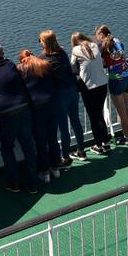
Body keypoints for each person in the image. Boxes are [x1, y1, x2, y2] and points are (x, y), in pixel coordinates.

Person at [0, 44, 40, 193]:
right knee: (27, 145)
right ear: (3, 54)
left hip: (5, 113)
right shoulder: (11, 64)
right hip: (23, 108)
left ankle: (14, 183)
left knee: (7, 148)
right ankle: (33, 183)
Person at [17, 47, 62, 181]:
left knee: (41, 141)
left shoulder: (21, 69)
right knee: (53, 138)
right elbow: (54, 82)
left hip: (36, 109)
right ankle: (56, 168)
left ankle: (45, 172)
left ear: (22, 59)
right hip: (52, 104)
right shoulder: (45, 65)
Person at [43, 30, 87, 163]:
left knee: (63, 126)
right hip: (73, 91)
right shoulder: (62, 53)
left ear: (44, 42)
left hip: (60, 95)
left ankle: (66, 157)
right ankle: (81, 151)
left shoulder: (44, 58)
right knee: (75, 121)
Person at [97, 25, 128, 145]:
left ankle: (127, 137)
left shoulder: (103, 45)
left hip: (116, 79)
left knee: (121, 112)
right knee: (126, 108)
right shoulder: (117, 41)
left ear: (101, 35)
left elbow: (102, 61)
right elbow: (122, 54)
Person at [71, 31, 112, 155]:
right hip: (102, 84)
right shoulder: (94, 45)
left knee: (93, 117)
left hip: (88, 87)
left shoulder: (76, 50)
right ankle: (106, 143)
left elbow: (72, 67)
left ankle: (98, 145)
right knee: (99, 114)